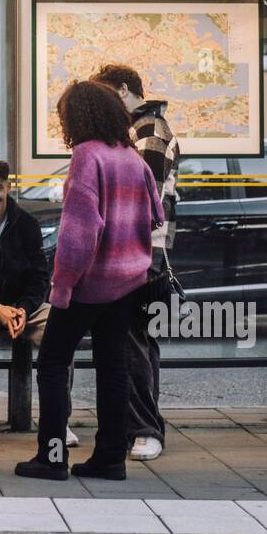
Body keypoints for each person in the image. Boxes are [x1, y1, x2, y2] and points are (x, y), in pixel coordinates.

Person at [15, 80, 163, 483]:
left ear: (77, 117)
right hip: (128, 281)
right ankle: (111, 458)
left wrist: (61, 286)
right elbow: (156, 215)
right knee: (113, 368)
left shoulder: (87, 156)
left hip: (90, 284)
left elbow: (80, 234)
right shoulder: (130, 156)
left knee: (52, 362)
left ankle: (52, 456)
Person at [0, 156, 78, 450]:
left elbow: (39, 276)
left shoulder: (26, 224)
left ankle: (58, 420)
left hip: (23, 307)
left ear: (7, 187)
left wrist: (23, 309)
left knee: (60, 328)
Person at [91, 63, 180, 462]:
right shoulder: (136, 131)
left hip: (143, 252)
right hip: (135, 250)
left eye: (107, 95)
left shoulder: (150, 133)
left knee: (133, 342)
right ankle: (137, 426)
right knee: (133, 341)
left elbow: (144, 197)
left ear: (124, 90)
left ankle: (145, 429)